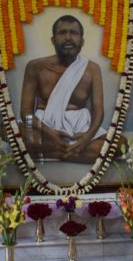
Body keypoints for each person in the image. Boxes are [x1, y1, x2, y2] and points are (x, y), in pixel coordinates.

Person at [19, 15, 106, 163]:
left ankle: (52, 153)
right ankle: (73, 153)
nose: (68, 37)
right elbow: (26, 112)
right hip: (44, 126)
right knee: (8, 130)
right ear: (53, 40)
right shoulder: (35, 67)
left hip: (80, 128)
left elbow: (98, 111)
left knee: (119, 143)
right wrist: (50, 133)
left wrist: (87, 137)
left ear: (82, 41)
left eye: (74, 33)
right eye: (62, 32)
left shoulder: (92, 69)